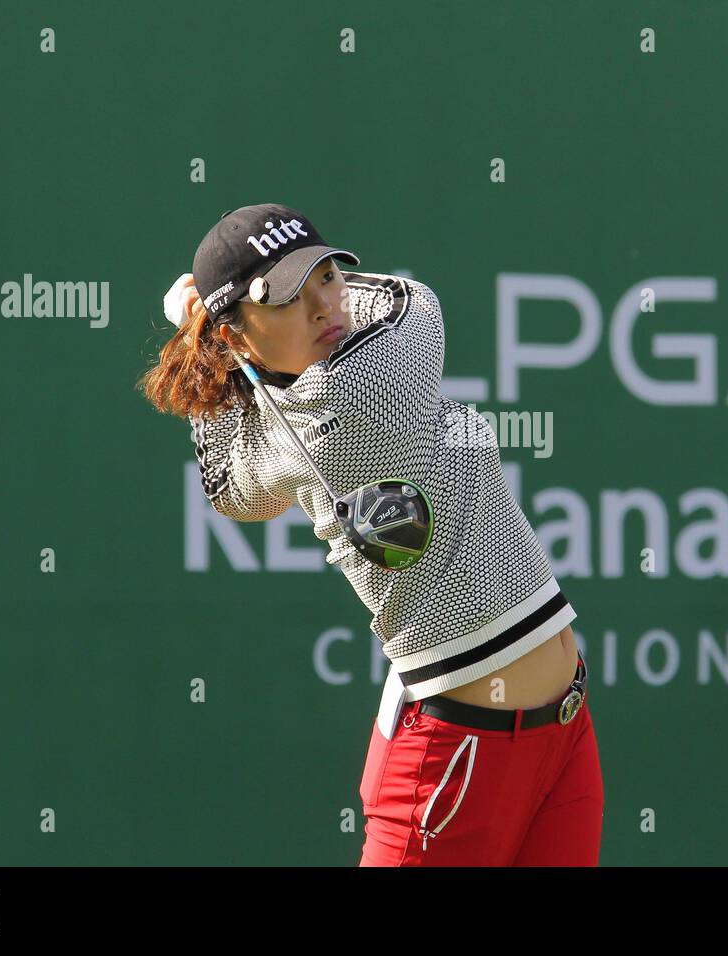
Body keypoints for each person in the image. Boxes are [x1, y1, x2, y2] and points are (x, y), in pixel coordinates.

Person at [139, 203, 603, 865]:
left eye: (326, 276)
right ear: (239, 337)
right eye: (288, 297)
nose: (324, 305)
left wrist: (205, 332)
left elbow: (226, 489)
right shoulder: (368, 384)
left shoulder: (272, 429)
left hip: (559, 733)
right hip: (451, 767)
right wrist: (209, 325)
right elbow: (413, 298)